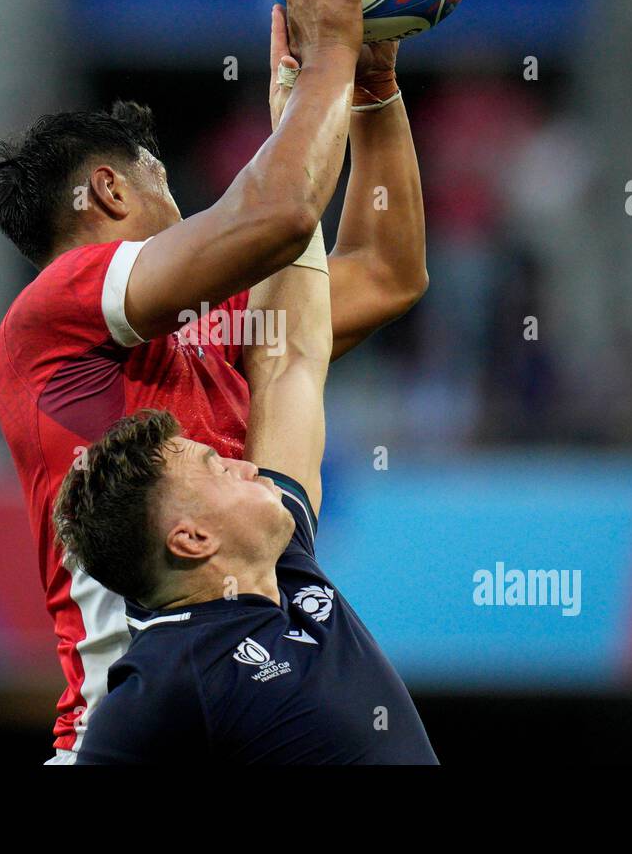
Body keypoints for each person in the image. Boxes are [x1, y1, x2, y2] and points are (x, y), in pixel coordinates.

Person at [0, 0, 428, 760]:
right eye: (163, 182)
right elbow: (275, 215)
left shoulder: (212, 330)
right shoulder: (50, 316)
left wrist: (372, 89)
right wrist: (328, 59)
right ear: (108, 190)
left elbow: (386, 272)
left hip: (254, 699)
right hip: (134, 721)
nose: (187, 214)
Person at [56, 210, 437, 764]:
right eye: (216, 468)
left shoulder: (286, 562)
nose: (245, 465)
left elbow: (292, 359)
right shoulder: (171, 672)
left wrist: (302, 134)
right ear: (190, 539)